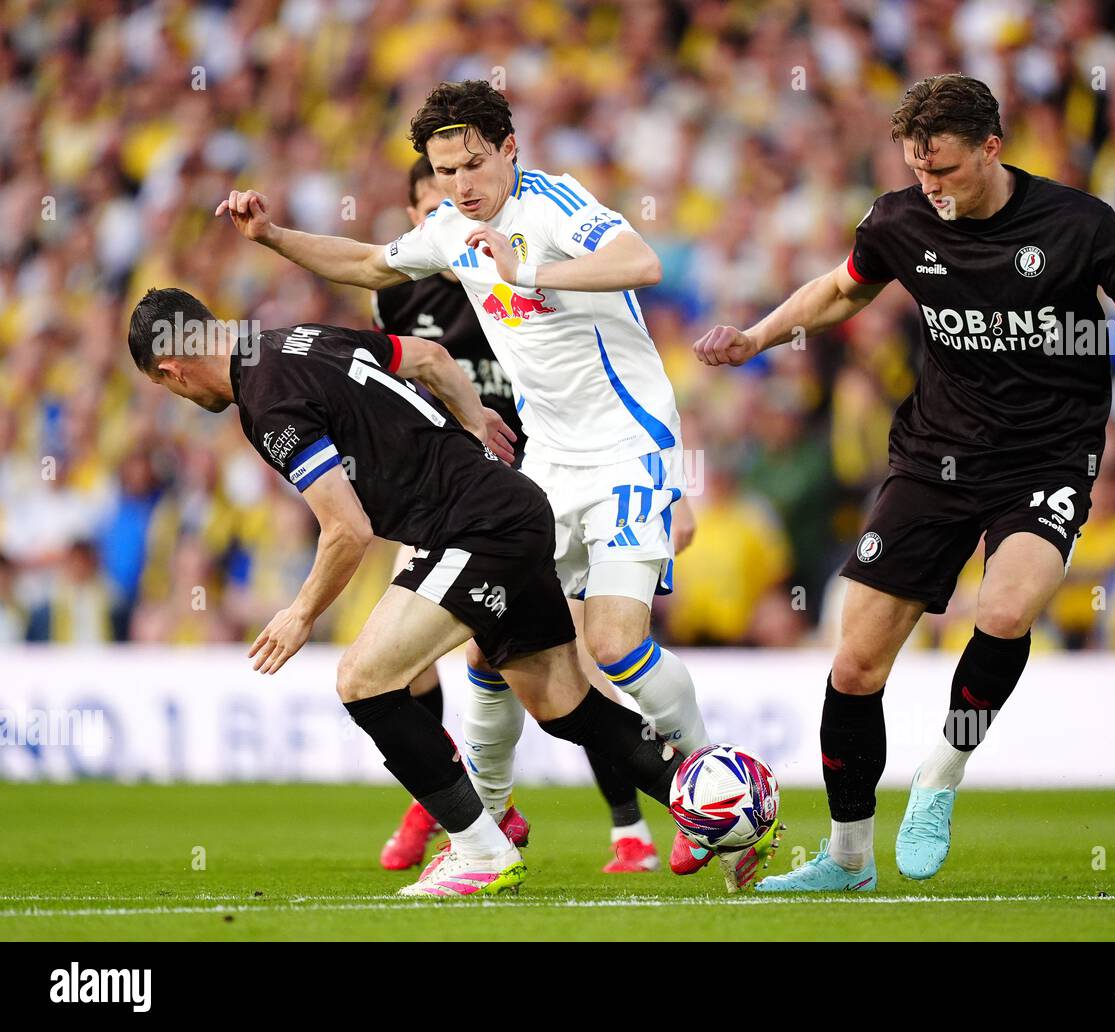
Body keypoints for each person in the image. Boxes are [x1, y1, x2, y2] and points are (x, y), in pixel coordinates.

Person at [693, 74, 1115, 893]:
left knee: (1005, 610)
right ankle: (846, 857)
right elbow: (840, 291)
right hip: (934, 454)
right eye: (917, 168)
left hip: (1046, 458)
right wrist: (757, 337)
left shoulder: (1078, 224)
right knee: (855, 666)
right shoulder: (900, 218)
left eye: (943, 169)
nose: (928, 186)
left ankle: (941, 773)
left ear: (991, 149)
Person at [216, 79, 732, 882]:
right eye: (445, 168)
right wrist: (274, 235)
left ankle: (714, 792)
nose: (461, 183)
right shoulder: (450, 228)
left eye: (474, 163)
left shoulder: (554, 205)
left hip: (628, 445)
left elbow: (643, 260)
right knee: (494, 649)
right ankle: (488, 823)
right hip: (547, 461)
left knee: (615, 643)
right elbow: (365, 262)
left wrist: (530, 270)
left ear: (510, 149)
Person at [124, 287, 699, 897]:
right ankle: (714, 803)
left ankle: (481, 850)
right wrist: (477, 422)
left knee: (362, 681)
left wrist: (300, 614)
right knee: (564, 703)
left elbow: (347, 530)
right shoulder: (300, 337)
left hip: (473, 530)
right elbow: (428, 357)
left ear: (172, 368)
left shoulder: (266, 402)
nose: (182, 397)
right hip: (511, 507)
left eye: (169, 389)